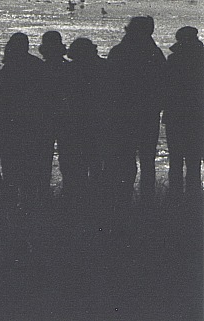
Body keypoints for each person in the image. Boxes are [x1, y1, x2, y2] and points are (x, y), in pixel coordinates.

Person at [105, 15, 166, 204]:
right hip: (148, 114)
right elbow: (163, 86)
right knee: (147, 160)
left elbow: (109, 85)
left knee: (125, 158)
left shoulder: (118, 52)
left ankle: (123, 198)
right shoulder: (155, 54)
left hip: (123, 114)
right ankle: (147, 200)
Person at [0, 33, 50, 206]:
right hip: (33, 126)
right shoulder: (37, 65)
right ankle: (29, 206)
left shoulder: (7, 69)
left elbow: (0, 101)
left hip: (12, 127)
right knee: (31, 171)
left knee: (11, 171)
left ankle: (12, 206)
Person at [61, 37, 108, 202]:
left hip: (75, 122)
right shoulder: (104, 67)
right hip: (99, 121)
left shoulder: (70, 69)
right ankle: (96, 198)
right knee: (96, 163)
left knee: (77, 163)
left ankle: (76, 198)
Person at [163, 26, 203, 197]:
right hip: (198, 115)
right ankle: (194, 197)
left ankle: (174, 196)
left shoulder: (173, 60)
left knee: (176, 160)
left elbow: (163, 88)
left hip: (175, 116)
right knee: (194, 160)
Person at [37, 31, 71, 196]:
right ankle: (68, 192)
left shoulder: (39, 70)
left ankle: (43, 192)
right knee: (67, 158)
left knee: (44, 158)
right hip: (65, 118)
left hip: (45, 118)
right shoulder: (69, 69)